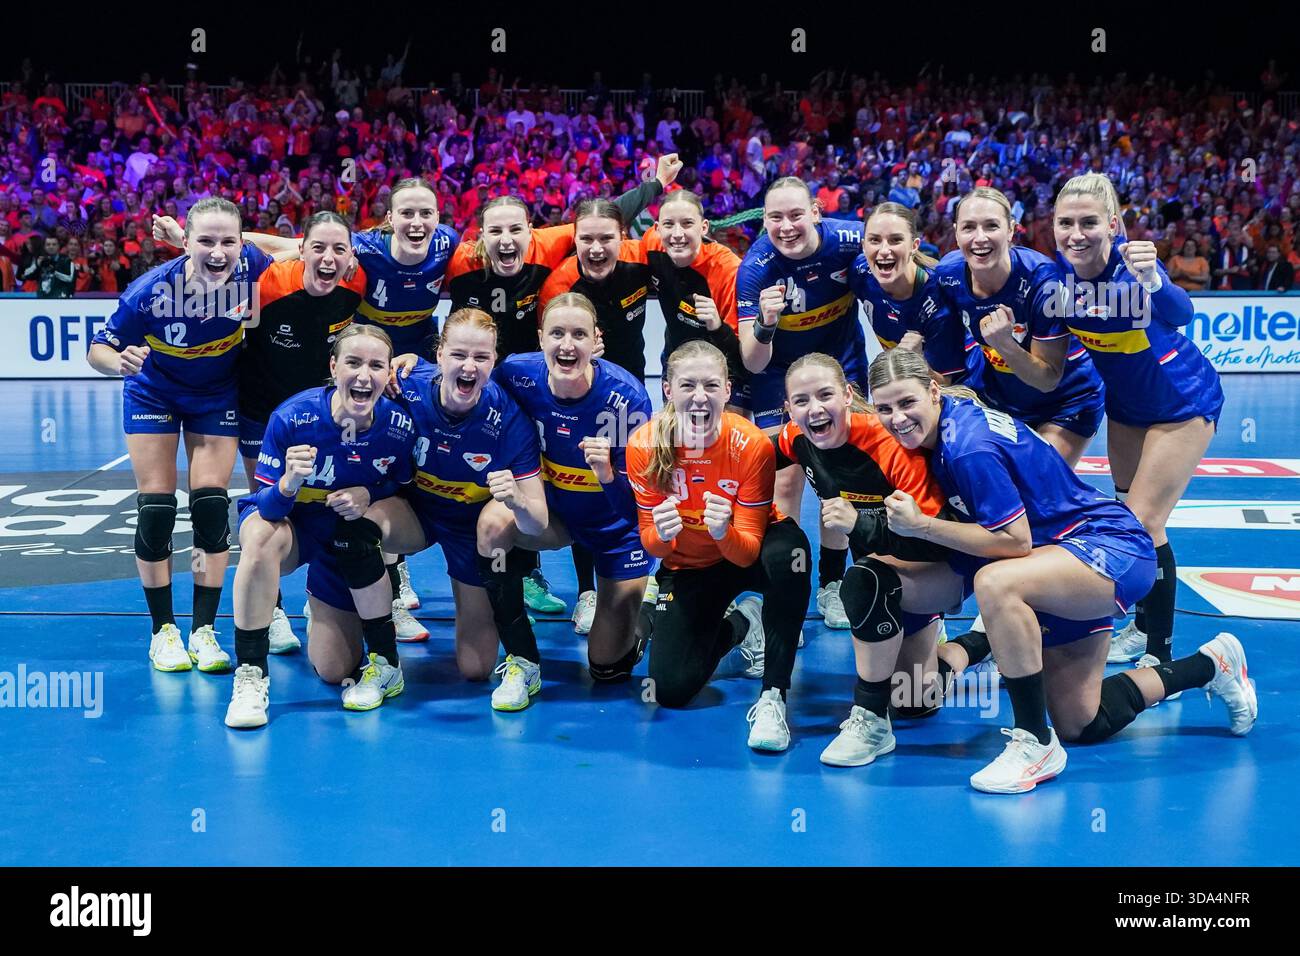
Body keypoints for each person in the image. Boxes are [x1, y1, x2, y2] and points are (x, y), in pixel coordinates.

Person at [866, 348, 1255, 793]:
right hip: (1054, 562)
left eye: (906, 403)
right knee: (1082, 721)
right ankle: (1210, 665)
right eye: (885, 408)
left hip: (1107, 548)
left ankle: (1035, 742)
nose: (897, 418)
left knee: (994, 583)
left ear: (933, 392)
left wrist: (922, 527)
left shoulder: (967, 447)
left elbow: (1014, 543)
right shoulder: (947, 425)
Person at [445, 155, 682, 620]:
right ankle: (540, 577)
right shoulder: (467, 264)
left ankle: (658, 570)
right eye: (495, 231)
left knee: (614, 475)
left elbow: (608, 216)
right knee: (531, 476)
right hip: (522, 384)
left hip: (612, 385)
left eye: (516, 229)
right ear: (480, 236)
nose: (506, 239)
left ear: (531, 230)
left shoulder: (572, 246)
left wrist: (654, 184)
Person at [87, 198, 274, 675]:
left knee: (211, 505)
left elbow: (300, 249)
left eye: (227, 241)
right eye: (205, 241)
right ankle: (163, 631)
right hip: (154, 396)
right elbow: (97, 351)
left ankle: (204, 630)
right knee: (156, 508)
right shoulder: (147, 292)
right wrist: (118, 364)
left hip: (215, 397)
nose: (217, 251)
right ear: (184, 243)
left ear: (242, 244)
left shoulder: (251, 266)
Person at [1051, 173, 1224, 671]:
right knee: (1134, 521)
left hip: (1181, 403)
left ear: (1113, 226)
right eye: (1066, 223)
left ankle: (1158, 655)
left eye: (1088, 223)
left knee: (1143, 525)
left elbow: (1181, 312)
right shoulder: (1058, 283)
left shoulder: (1135, 270)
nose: (1076, 234)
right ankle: (1143, 626)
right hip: (1124, 410)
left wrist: (1156, 280)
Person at [225, 324, 416, 728]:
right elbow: (267, 507)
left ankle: (331, 609)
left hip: (345, 541)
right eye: (353, 363)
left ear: (387, 375)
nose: (364, 375)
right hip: (294, 530)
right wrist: (289, 484)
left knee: (333, 671)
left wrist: (370, 492)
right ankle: (251, 675)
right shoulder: (293, 419)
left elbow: (400, 484)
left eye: (376, 366)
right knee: (257, 535)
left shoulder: (398, 427)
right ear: (333, 367)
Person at [626, 341, 811, 752]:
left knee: (791, 558)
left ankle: (772, 697)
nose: (699, 396)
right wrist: (664, 533)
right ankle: (745, 623)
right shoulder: (643, 446)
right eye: (687, 385)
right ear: (668, 390)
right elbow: (653, 546)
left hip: (748, 548)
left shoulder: (750, 445)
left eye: (711, 385)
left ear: (728, 390)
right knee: (669, 690)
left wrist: (724, 530)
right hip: (690, 564)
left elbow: (745, 552)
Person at [364, 308, 549, 708]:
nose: (469, 367)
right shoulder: (405, 382)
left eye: (481, 358)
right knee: (360, 525)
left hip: (471, 532)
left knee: (475, 668)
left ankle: (509, 637)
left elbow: (536, 524)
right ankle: (383, 654)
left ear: (494, 360)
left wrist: (516, 500)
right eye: (459, 355)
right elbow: (350, 394)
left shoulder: (508, 419)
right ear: (440, 353)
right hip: (414, 513)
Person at [777, 353, 957, 766]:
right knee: (914, 701)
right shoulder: (796, 438)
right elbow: (749, 452)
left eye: (825, 395)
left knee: (864, 579)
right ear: (789, 409)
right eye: (801, 400)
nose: (815, 408)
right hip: (879, 579)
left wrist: (859, 524)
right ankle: (977, 644)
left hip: (930, 572)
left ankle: (871, 721)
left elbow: (934, 542)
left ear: (848, 395)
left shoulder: (891, 445)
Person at [482, 293, 653, 699]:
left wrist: (608, 475)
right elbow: (460, 375)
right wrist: (412, 365)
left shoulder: (626, 399)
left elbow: (636, 511)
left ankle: (652, 611)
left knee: (607, 669)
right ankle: (521, 654)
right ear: (541, 338)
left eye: (579, 334)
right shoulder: (517, 374)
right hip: (553, 517)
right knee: (492, 525)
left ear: (596, 341)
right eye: (557, 333)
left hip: (616, 526)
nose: (567, 344)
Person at [736, 176, 867, 626]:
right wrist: (767, 324)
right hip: (778, 376)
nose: (786, 226)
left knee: (840, 475)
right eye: (775, 217)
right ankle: (785, 588)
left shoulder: (851, 239)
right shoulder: (755, 268)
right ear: (764, 220)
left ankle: (833, 584)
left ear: (816, 211)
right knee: (786, 479)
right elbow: (752, 362)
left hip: (841, 366)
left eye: (795, 214)